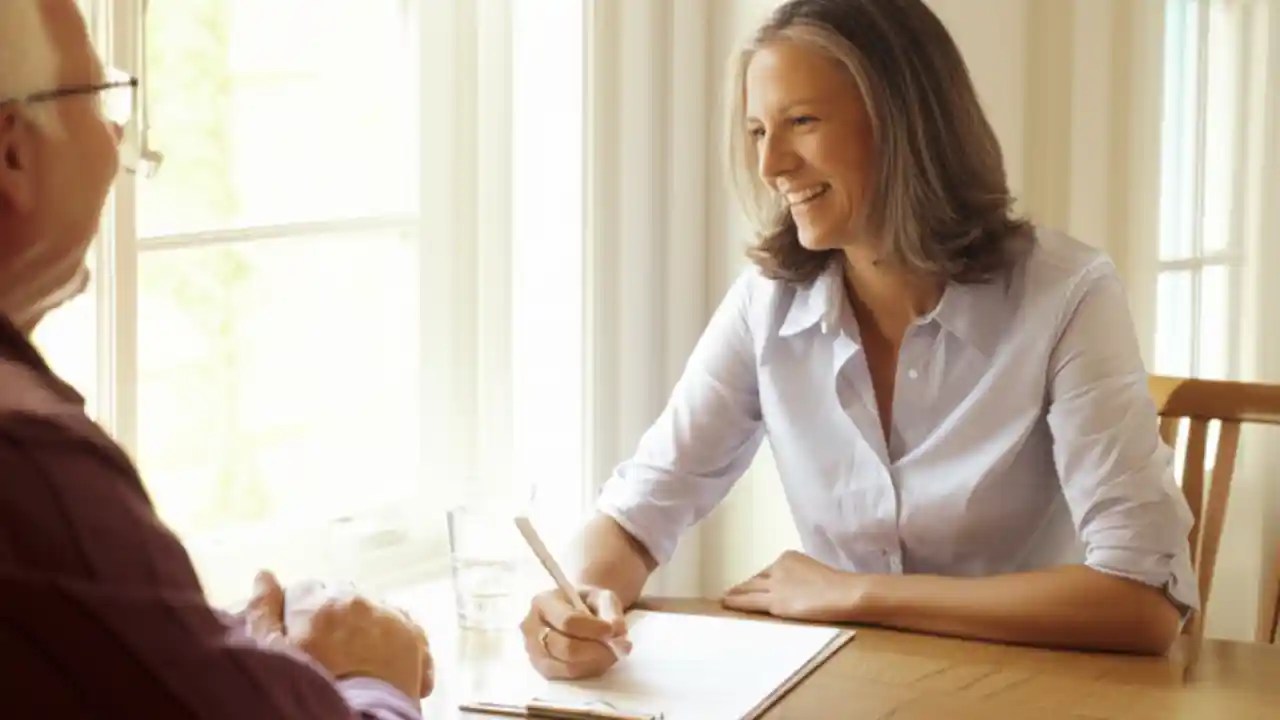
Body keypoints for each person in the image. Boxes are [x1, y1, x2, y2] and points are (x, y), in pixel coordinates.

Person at [520, 0, 1198, 680]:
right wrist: (576, 601)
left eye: (801, 122)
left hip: (1036, 691)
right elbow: (636, 516)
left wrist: (861, 594)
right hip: (854, 688)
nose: (771, 164)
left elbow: (1143, 603)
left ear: (904, 124)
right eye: (757, 131)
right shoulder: (767, 304)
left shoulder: (1068, 294)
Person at [0, 1, 432, 716]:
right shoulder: (31, 466)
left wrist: (248, 663)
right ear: (12, 151)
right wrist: (376, 680)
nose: (116, 133)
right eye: (99, 97)